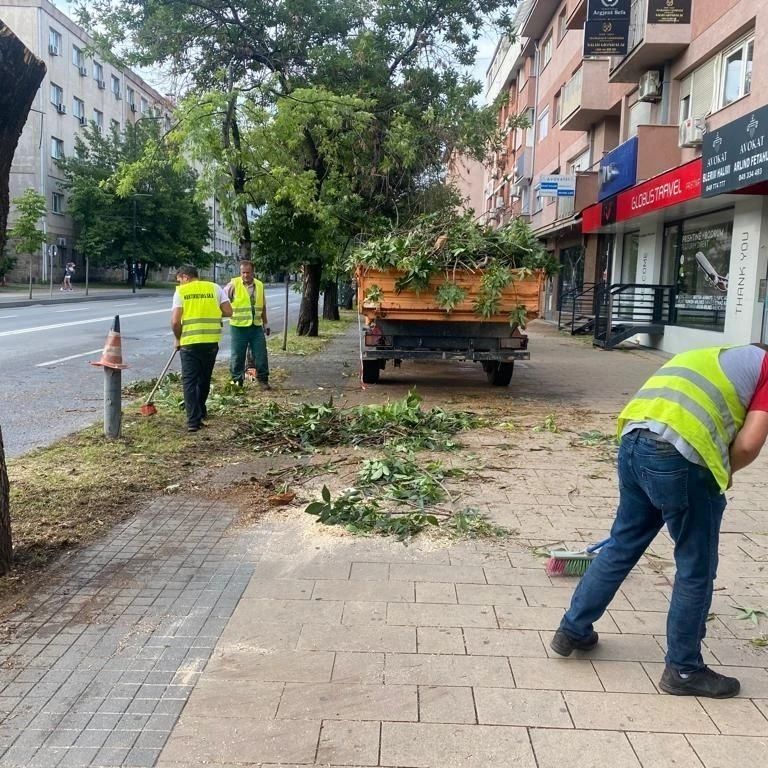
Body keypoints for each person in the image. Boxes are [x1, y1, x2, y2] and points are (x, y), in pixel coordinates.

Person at [551, 344, 768, 698]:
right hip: (679, 457)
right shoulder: (766, 368)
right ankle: (684, 669)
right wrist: (722, 473)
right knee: (695, 568)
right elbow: (749, 443)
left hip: (633, 442)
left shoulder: (711, 356)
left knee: (622, 544)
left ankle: (572, 629)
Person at [171, 265, 232, 432]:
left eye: (179, 280)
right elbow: (228, 311)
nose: (180, 283)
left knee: (189, 381)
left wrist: (178, 338)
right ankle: (201, 411)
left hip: (189, 342)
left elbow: (175, 321)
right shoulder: (214, 288)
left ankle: (193, 421)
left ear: (185, 277)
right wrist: (211, 311)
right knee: (204, 379)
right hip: (210, 342)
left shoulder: (181, 292)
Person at [227, 260, 271, 390]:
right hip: (238, 327)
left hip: (255, 326)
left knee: (260, 354)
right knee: (237, 356)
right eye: (243, 272)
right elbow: (223, 300)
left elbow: (262, 305)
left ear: (253, 272)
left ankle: (262, 379)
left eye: (248, 272)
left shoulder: (259, 285)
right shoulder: (233, 284)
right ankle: (236, 382)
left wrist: (266, 323)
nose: (245, 275)